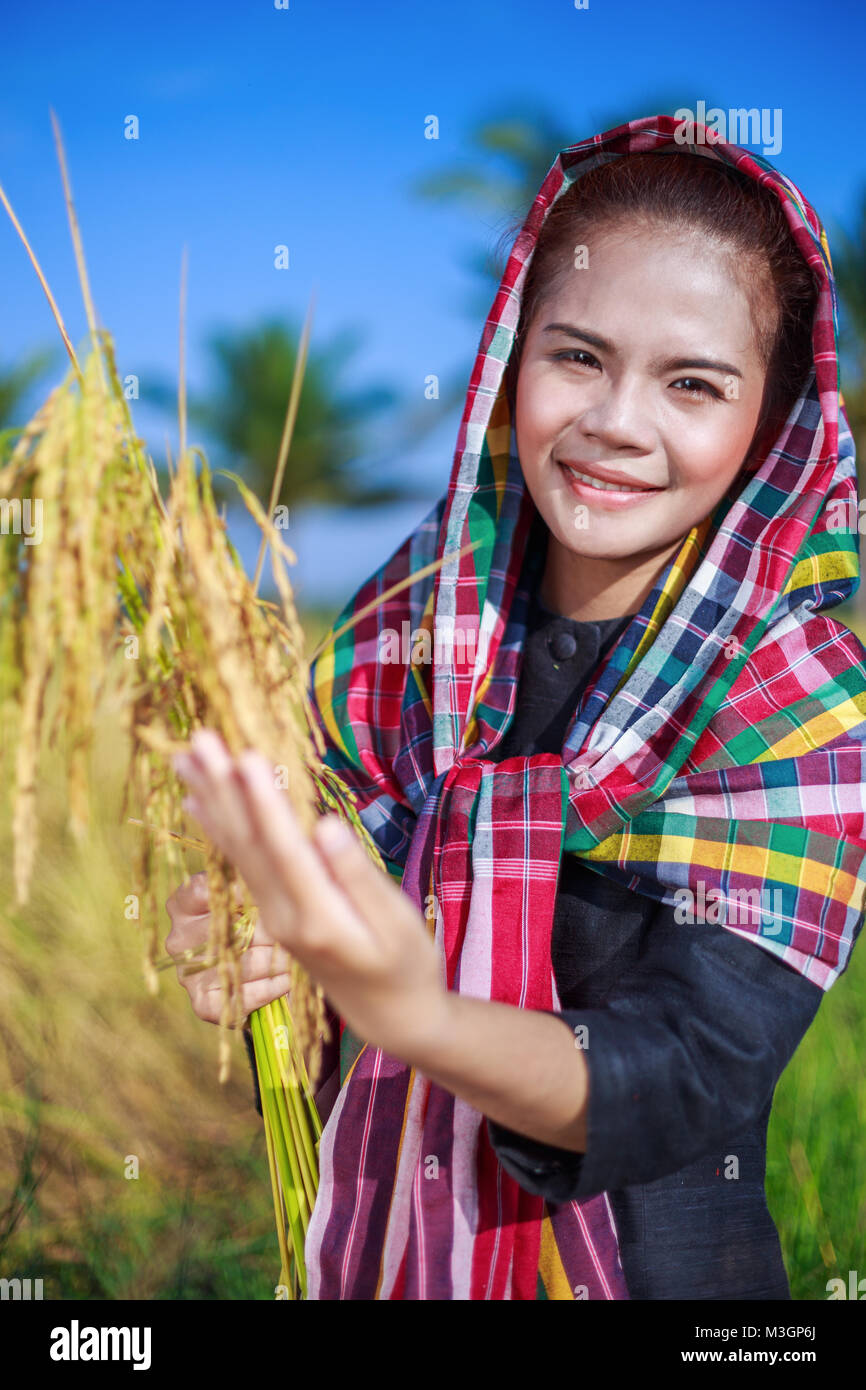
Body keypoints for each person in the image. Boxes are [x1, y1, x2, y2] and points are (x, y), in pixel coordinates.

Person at [165, 115, 866, 1300]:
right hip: (375, 1244)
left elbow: (692, 1068)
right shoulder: (411, 612)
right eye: (576, 357)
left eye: (691, 382)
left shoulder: (792, 705)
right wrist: (253, 935)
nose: (614, 423)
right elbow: (315, 845)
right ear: (507, 360)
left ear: (766, 428)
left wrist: (417, 1015)